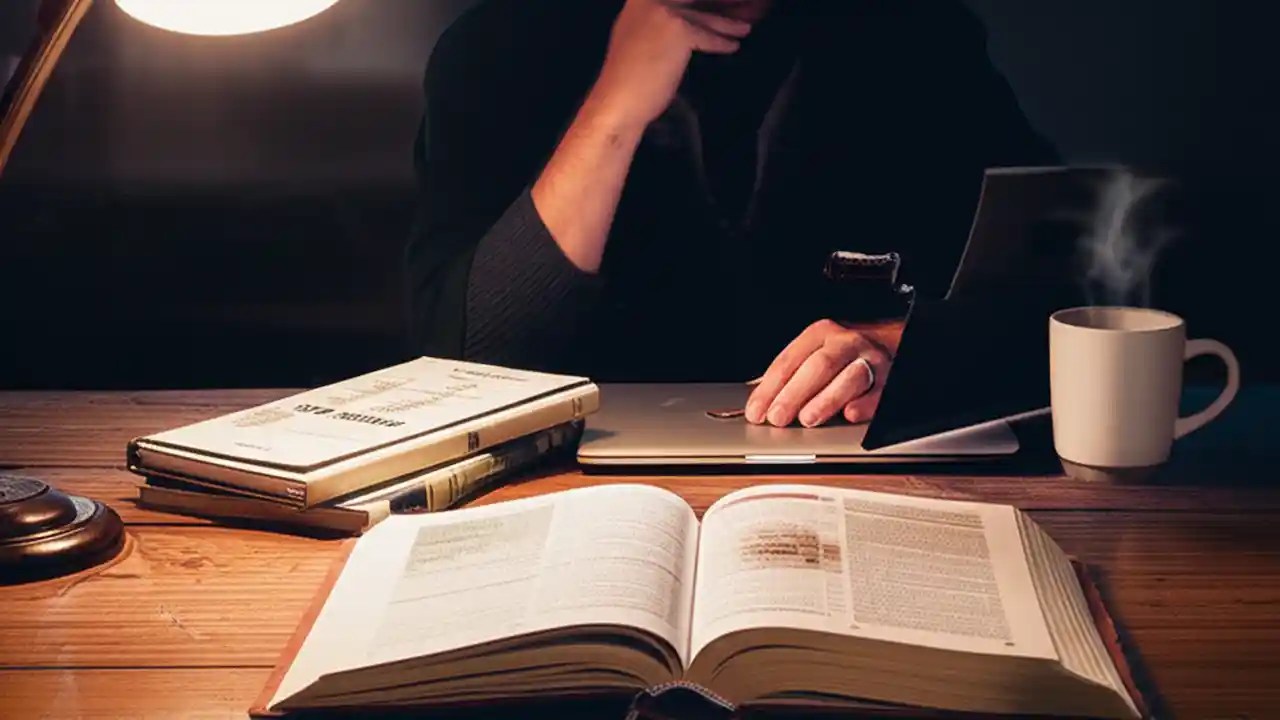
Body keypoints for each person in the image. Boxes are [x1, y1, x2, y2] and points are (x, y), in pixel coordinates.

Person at [404, 0, 1057, 428]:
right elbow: (468, 369)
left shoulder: (916, 38)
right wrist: (613, 109)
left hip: (852, 474)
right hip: (572, 496)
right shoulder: (498, 48)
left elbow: (1066, 296)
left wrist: (904, 346)